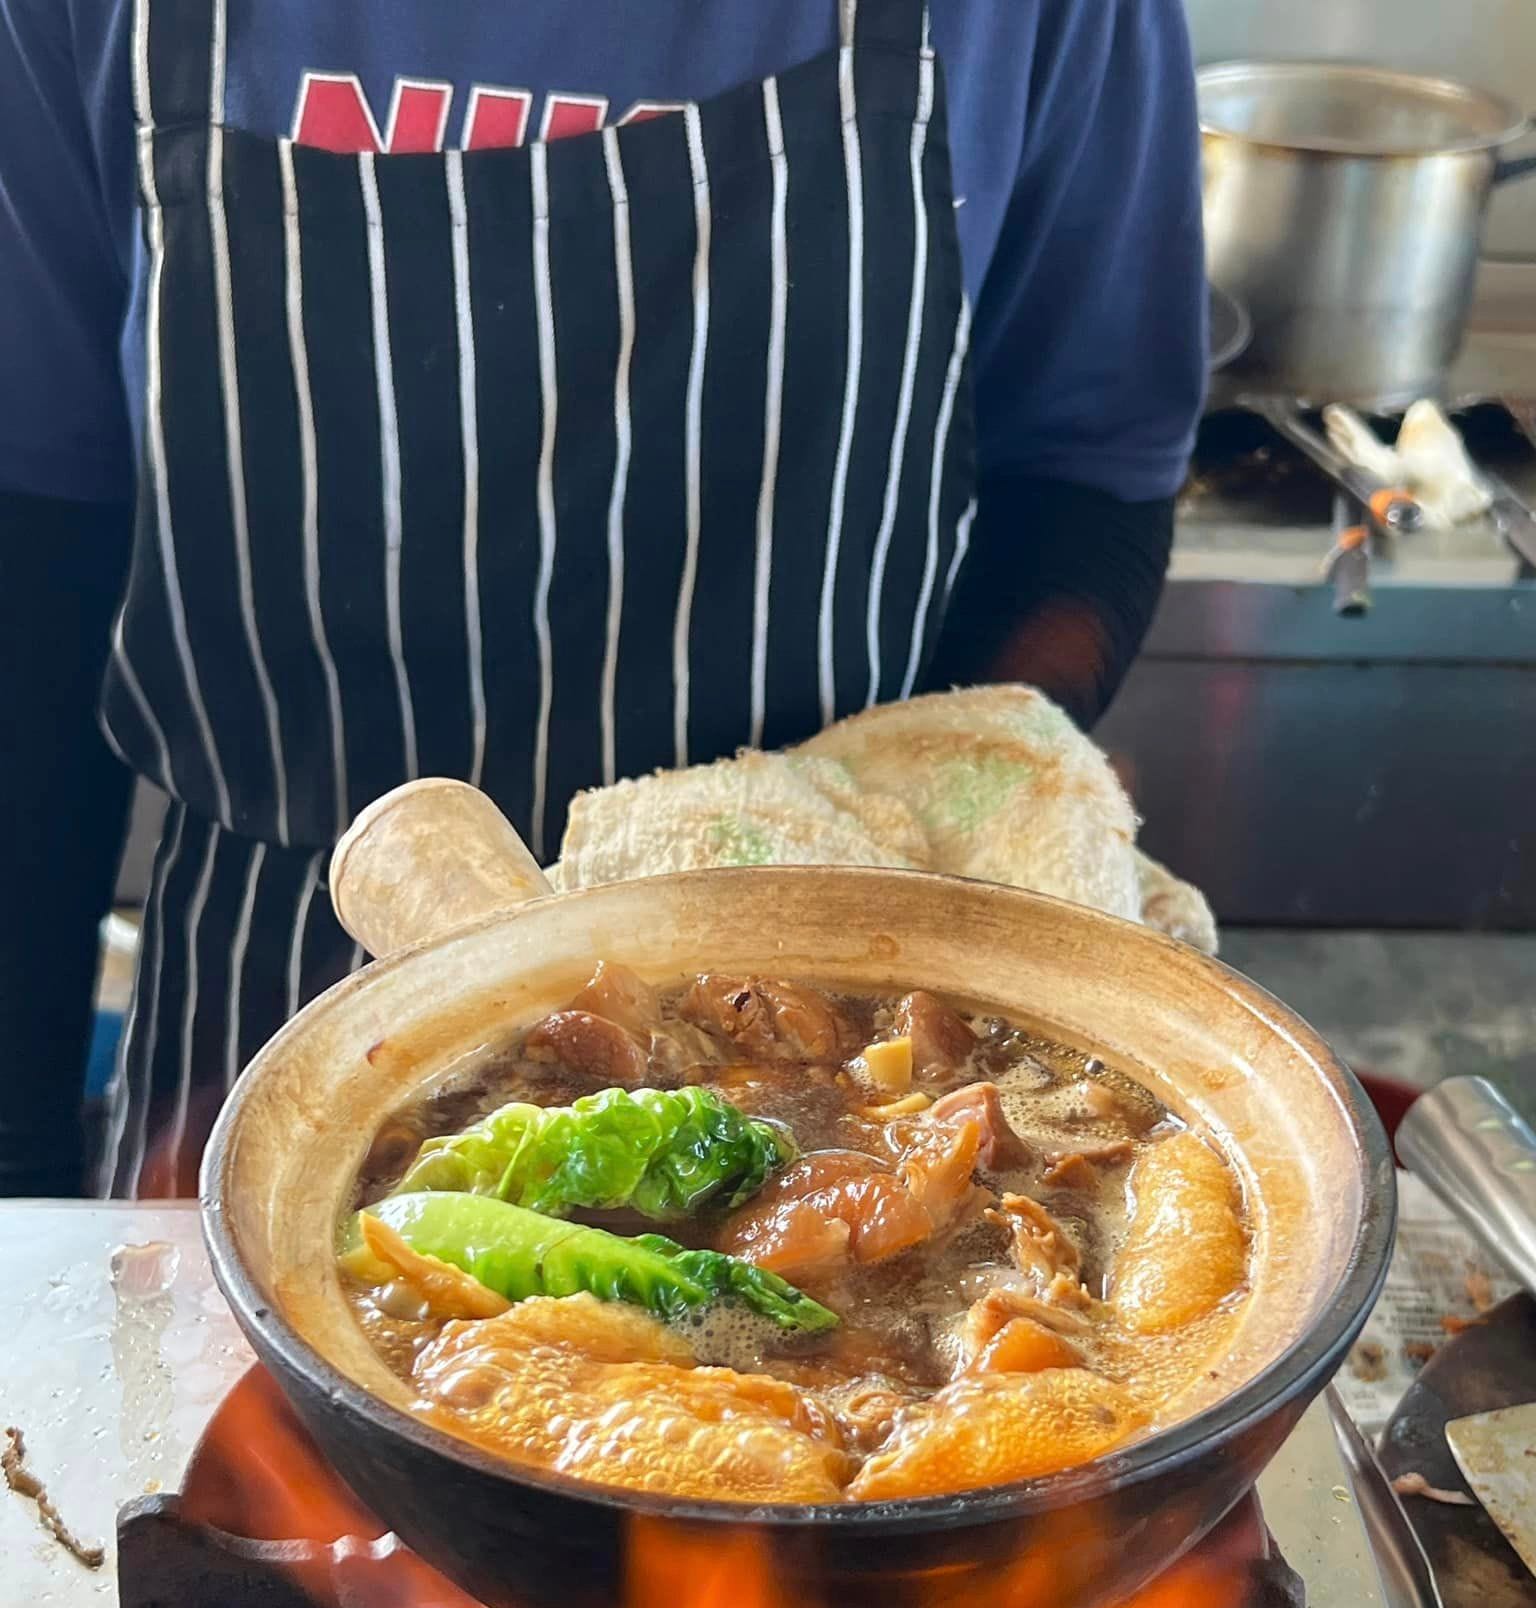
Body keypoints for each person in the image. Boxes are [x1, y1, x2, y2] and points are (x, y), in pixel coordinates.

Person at [0, 0, 1206, 1201]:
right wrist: (18, 1167)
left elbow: (1084, 477)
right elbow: (36, 556)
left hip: (841, 1058)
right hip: (267, 1016)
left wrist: (956, 854)